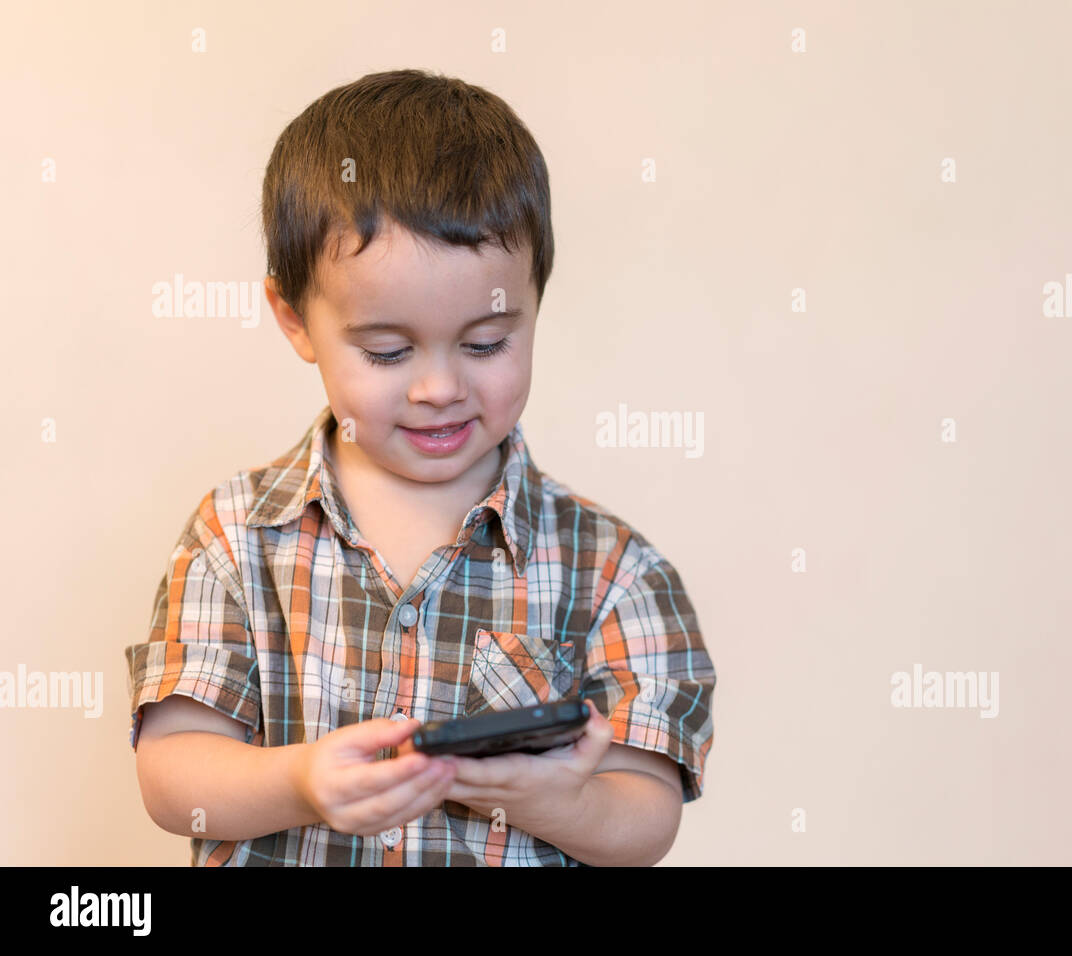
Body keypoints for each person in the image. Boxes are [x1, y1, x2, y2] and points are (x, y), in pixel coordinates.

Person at [125, 69, 716, 866]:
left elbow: (646, 821)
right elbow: (172, 776)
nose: (439, 388)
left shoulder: (613, 572)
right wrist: (301, 782)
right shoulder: (235, 536)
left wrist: (559, 799)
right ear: (295, 319)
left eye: (486, 343)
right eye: (388, 351)